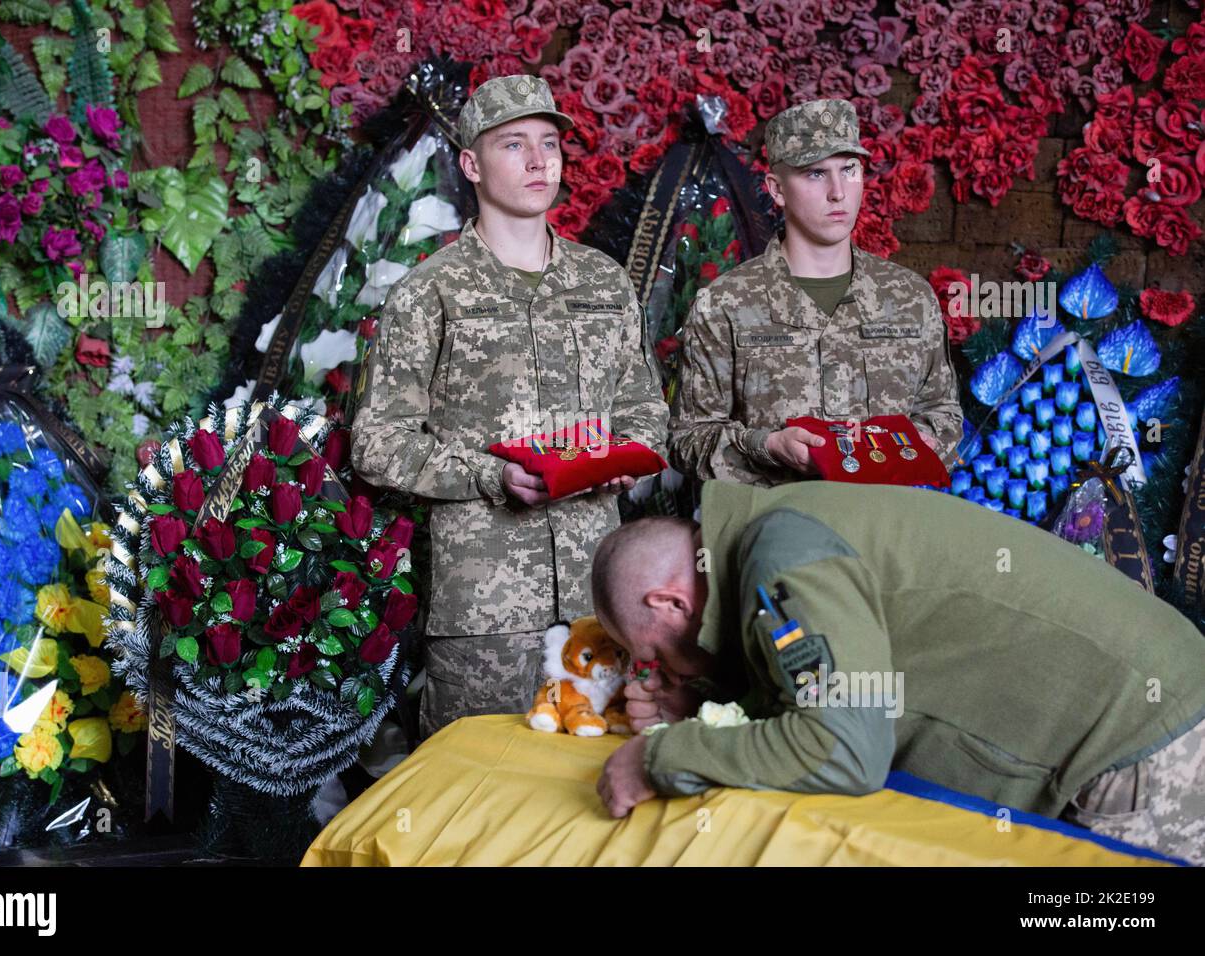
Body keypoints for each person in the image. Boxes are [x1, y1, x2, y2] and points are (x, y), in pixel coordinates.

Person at [590, 478, 1205, 865]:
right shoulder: (770, 529)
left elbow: (841, 745)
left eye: (651, 654)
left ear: (669, 603)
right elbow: (817, 679)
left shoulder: (783, 561)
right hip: (1140, 724)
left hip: (1150, 746)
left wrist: (661, 759)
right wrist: (699, 703)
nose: (657, 669)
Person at [351, 75, 669, 740]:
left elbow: (645, 412)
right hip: (484, 614)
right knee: (471, 797)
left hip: (598, 598)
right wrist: (490, 475)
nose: (538, 161)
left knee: (592, 787)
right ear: (471, 165)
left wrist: (626, 461)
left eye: (550, 144)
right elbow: (377, 443)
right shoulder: (429, 293)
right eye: (514, 144)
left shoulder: (602, 282)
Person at [669, 98, 963, 486]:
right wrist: (767, 446)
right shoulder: (726, 303)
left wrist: (921, 444)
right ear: (776, 189)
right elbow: (687, 439)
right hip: (775, 525)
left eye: (849, 170)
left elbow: (943, 413)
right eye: (815, 174)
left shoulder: (909, 298)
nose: (838, 192)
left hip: (887, 528)